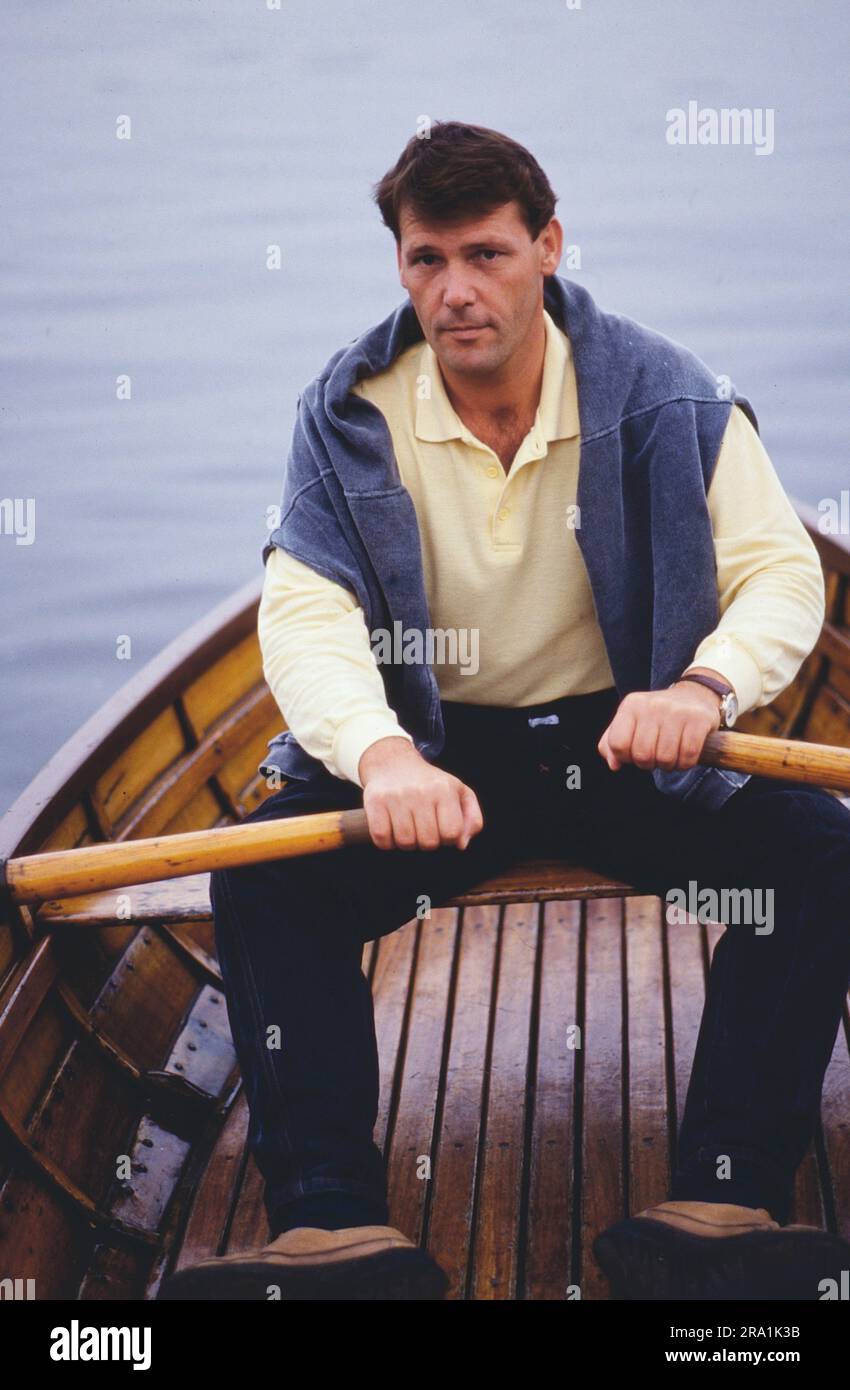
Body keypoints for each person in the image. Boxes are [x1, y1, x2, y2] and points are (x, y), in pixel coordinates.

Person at [160, 122, 850, 1301]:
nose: (457, 290)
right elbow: (308, 618)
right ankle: (331, 1230)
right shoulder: (347, 414)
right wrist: (379, 754)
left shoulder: (667, 389)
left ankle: (720, 1200)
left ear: (548, 245)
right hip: (437, 754)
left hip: (627, 735)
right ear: (399, 266)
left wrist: (700, 688)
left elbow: (781, 574)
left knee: (819, 852)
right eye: (427, 260)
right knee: (267, 881)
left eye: (485, 254)